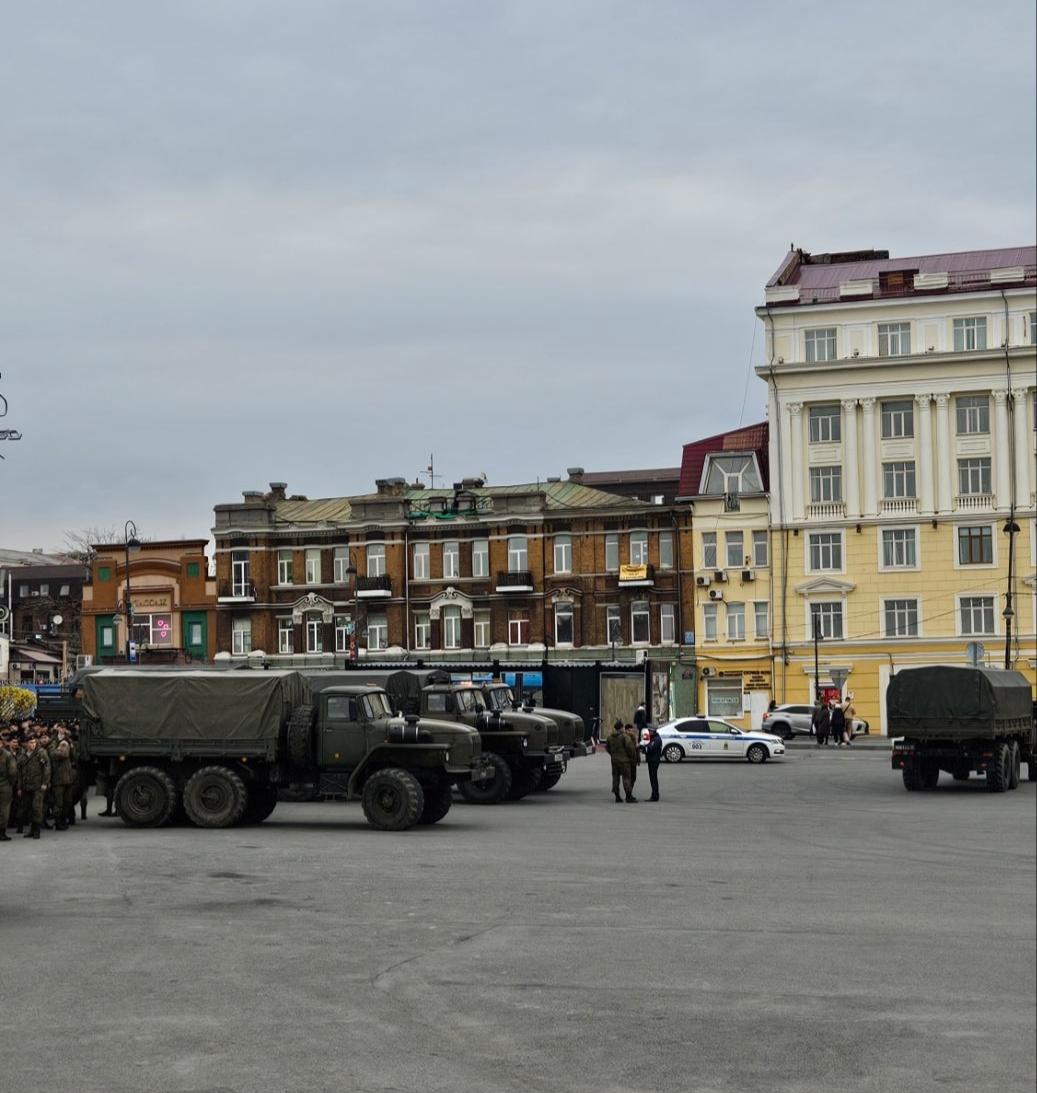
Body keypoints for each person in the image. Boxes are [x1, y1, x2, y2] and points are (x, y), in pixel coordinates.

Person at [19, 736, 50, 840]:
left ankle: (37, 831)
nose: (33, 744)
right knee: (29, 808)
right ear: (26, 744)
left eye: (34, 742)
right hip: (27, 786)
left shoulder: (40, 753)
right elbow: (20, 773)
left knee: (37, 808)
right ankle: (32, 830)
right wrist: (19, 787)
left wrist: (45, 783)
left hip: (38, 786)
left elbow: (46, 768)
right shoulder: (23, 755)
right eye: (31, 743)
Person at [606, 720, 638, 803]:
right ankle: (628, 796)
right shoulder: (624, 737)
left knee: (615, 777)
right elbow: (630, 748)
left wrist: (613, 755)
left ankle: (617, 796)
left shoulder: (610, 737)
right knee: (626, 778)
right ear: (621, 728)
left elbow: (607, 748)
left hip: (614, 760)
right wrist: (631, 757)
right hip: (625, 761)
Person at [0, 734, 17, 841]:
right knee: (4, 810)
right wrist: (11, 783)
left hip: (5, 785)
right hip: (5, 785)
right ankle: (1, 833)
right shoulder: (8, 755)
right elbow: (13, 772)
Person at [643, 726, 662, 802]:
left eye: (650, 731)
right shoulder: (653, 738)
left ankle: (655, 795)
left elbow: (649, 748)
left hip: (654, 760)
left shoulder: (656, 739)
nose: (648, 732)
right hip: (651, 760)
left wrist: (642, 747)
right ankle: (654, 794)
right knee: (652, 778)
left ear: (653, 731)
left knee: (653, 778)